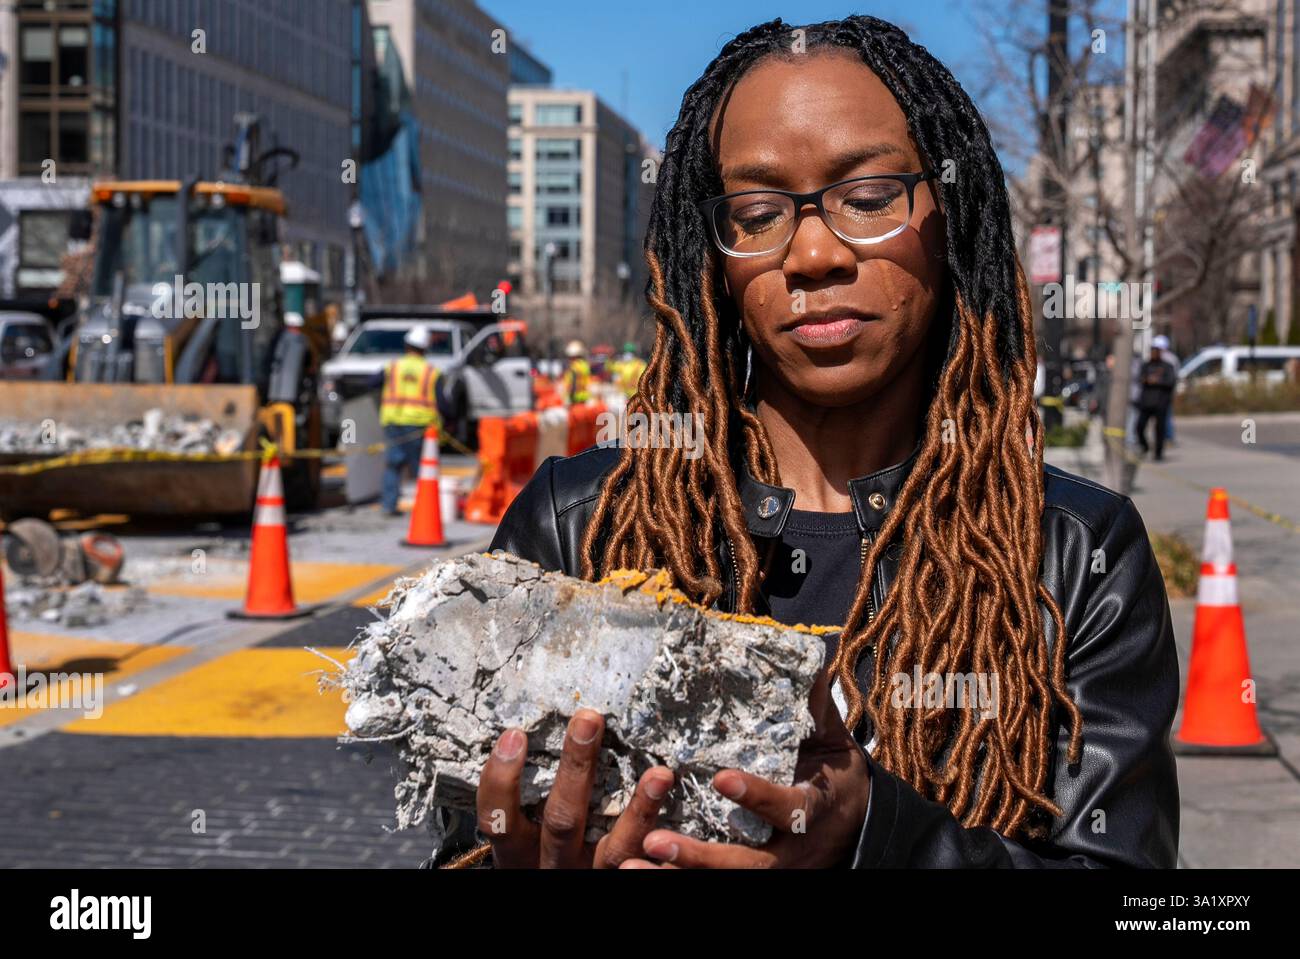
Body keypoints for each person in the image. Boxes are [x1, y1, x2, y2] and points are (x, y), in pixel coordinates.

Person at [475, 15, 1178, 869]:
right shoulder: (575, 522)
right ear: (715, 257)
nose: (813, 252)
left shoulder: (1073, 551)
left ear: (950, 215)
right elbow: (460, 837)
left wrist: (877, 839)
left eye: (870, 199)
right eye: (759, 212)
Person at [378, 325, 439, 516]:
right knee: (422, 468)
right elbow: (443, 401)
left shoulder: (393, 366)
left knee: (393, 464)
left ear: (407, 345)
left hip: (393, 422)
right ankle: (424, 509)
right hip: (419, 425)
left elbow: (372, 381)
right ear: (425, 348)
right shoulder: (430, 371)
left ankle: (389, 505)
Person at [1135, 342, 1178, 461]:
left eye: (1156, 352)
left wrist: (1156, 381)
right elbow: (1140, 378)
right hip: (1146, 402)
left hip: (1161, 402)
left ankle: (1158, 453)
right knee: (1139, 427)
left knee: (1159, 429)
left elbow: (1171, 382)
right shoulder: (1146, 366)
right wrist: (1147, 380)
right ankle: (1145, 446)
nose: (1153, 354)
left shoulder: (1167, 366)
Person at [1153, 333, 1180, 444]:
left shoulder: (1167, 359)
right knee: (1165, 414)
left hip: (1164, 391)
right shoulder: (1172, 358)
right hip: (1163, 390)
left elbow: (1171, 377)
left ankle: (1168, 436)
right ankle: (1166, 436)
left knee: (1166, 414)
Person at [562, 339, 590, 404]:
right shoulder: (585, 365)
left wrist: (570, 396)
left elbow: (573, 382)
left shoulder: (574, 366)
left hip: (575, 397)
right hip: (584, 395)